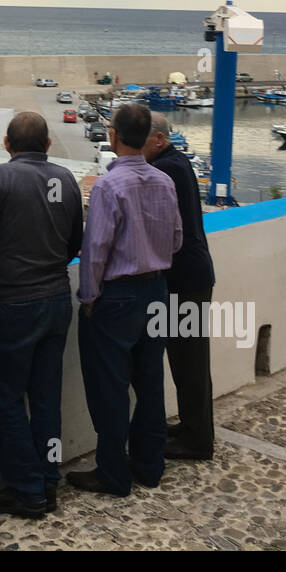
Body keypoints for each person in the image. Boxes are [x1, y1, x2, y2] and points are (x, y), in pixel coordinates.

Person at [0, 111, 82, 518]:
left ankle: (27, 491)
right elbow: (75, 241)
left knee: (5, 399)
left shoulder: (0, 178)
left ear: (7, 145)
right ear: (47, 145)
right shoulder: (66, 178)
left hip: (13, 305)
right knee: (46, 399)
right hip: (58, 301)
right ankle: (47, 479)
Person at [68, 102, 181, 496]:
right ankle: (150, 466)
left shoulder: (108, 186)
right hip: (156, 291)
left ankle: (113, 473)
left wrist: (89, 298)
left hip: (116, 298)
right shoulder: (164, 181)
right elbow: (177, 239)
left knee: (110, 389)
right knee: (150, 382)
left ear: (113, 137)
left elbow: (95, 249)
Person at [144, 113, 216, 460]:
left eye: (142, 139)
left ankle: (198, 440)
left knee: (190, 364)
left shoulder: (166, 168)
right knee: (187, 361)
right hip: (190, 277)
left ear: (159, 139)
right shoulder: (175, 161)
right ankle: (192, 426)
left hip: (186, 280)